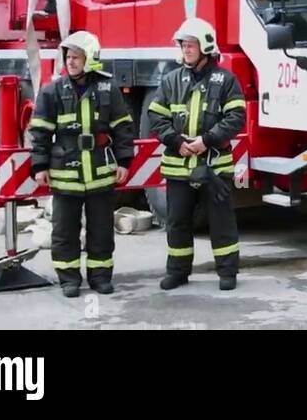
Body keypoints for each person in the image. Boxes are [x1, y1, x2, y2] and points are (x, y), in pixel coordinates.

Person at [28, 31, 135, 297]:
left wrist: (124, 161)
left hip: (100, 173)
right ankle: (69, 279)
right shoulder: (52, 91)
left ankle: (100, 278)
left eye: (76, 57)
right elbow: (40, 132)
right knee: (65, 231)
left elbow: (123, 128)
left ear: (90, 59)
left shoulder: (108, 90)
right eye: (68, 56)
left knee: (101, 231)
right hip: (65, 173)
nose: (71, 61)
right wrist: (40, 166)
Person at [147, 18, 247, 291]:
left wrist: (207, 140)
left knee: (222, 222)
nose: (186, 49)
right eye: (183, 45)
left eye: (190, 45)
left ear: (206, 47)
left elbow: (236, 117)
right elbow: (156, 117)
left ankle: (228, 273)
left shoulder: (226, 80)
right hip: (178, 167)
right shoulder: (170, 80)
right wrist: (176, 141)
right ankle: (177, 273)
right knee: (177, 222)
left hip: (215, 167)